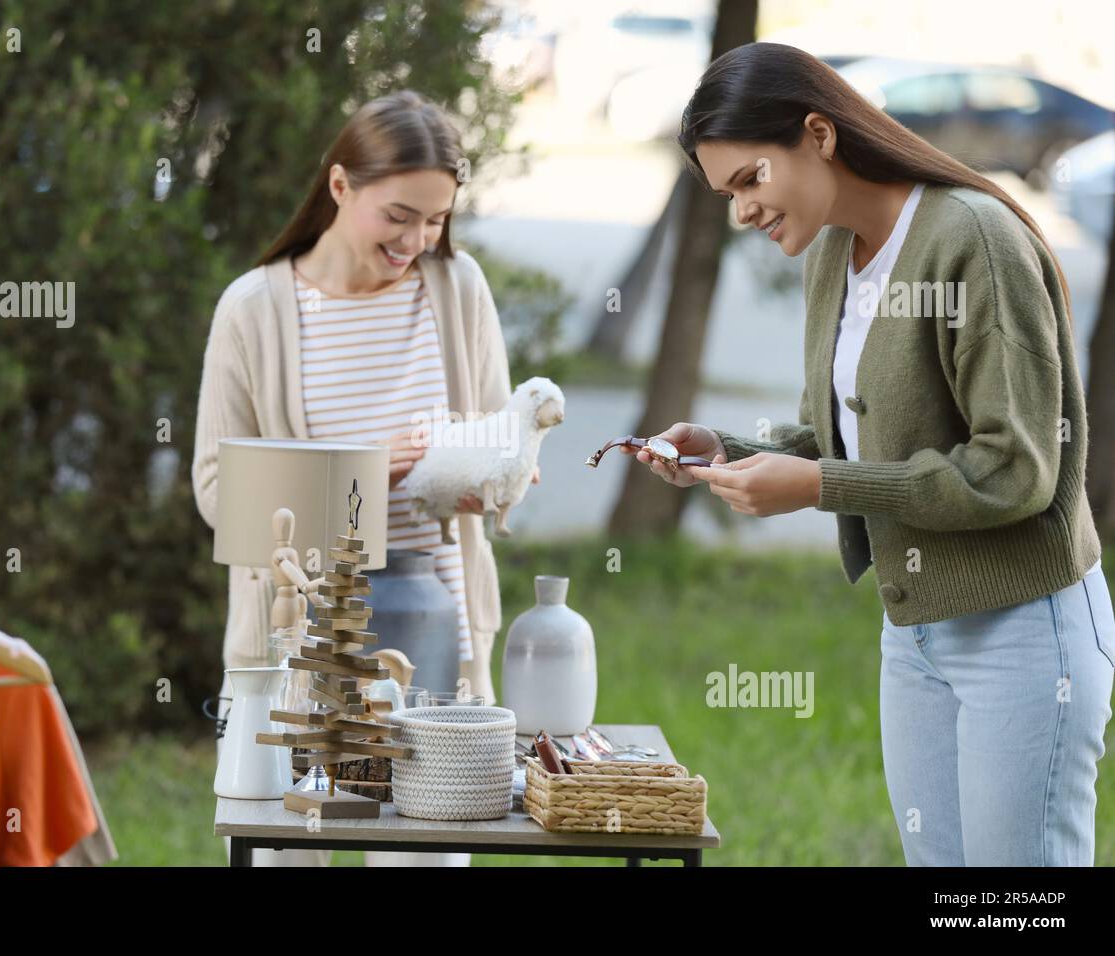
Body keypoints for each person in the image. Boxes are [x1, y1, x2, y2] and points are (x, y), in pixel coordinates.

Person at [626, 42, 1113, 866]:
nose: (741, 211)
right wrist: (729, 450)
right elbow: (856, 439)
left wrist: (818, 486)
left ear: (818, 134)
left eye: (750, 179)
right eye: (725, 195)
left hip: (1025, 634)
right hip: (915, 634)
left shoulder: (972, 241)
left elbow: (1016, 469)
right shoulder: (833, 251)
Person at [192, 90, 534, 866]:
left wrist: (489, 477)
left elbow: (487, 435)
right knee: (285, 852)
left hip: (434, 634)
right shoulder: (254, 311)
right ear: (341, 187)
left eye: (438, 219)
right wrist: (370, 466)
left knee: (425, 852)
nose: (418, 239)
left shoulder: (457, 291)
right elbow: (219, 491)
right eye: (399, 215)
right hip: (295, 647)